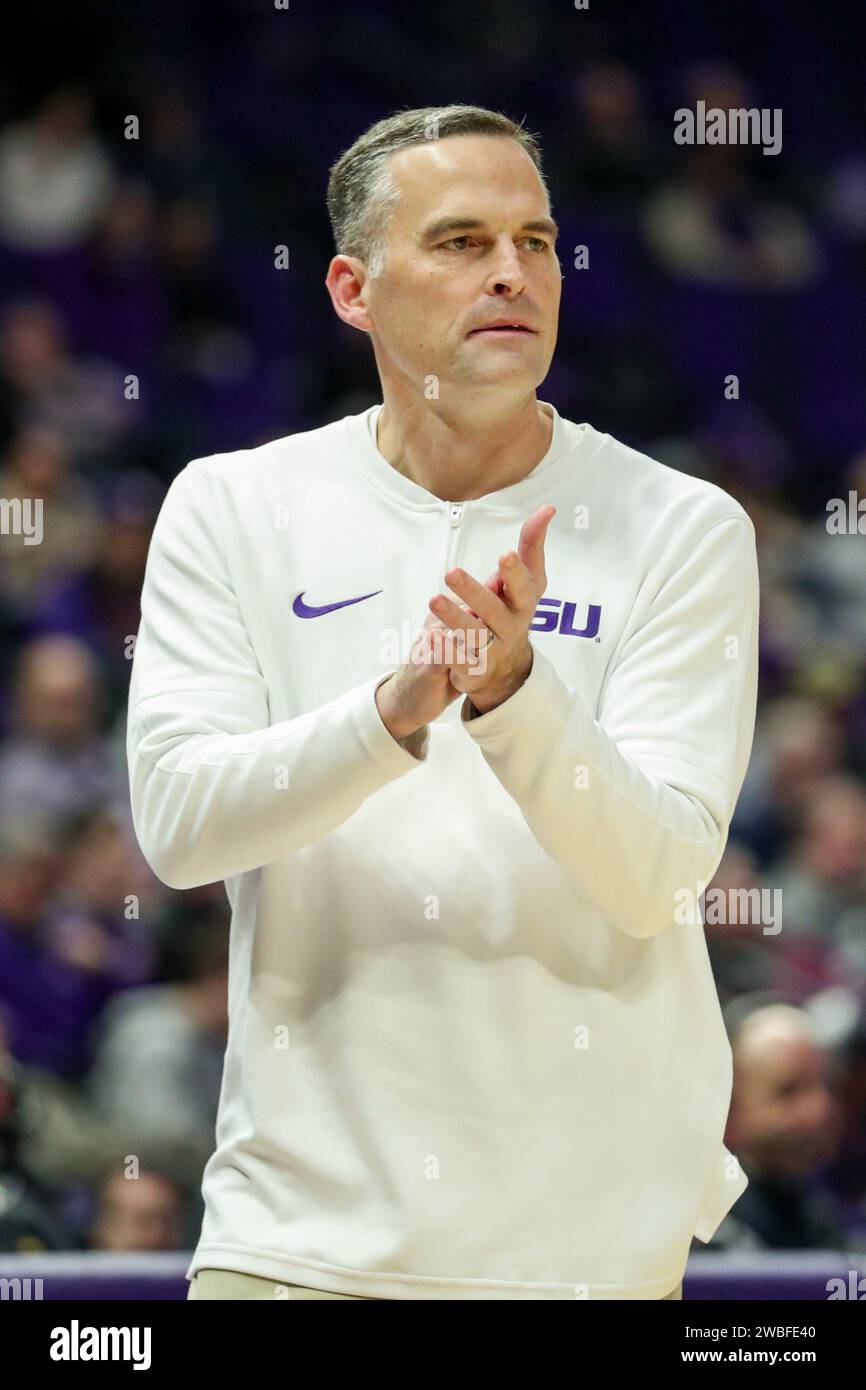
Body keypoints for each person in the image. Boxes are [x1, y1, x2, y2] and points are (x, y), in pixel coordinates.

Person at [126, 104, 759, 1300]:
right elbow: (177, 823)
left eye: (534, 240)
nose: (513, 272)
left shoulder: (679, 524)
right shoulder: (232, 505)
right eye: (461, 242)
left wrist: (514, 694)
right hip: (297, 1242)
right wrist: (389, 711)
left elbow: (660, 874)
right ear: (353, 290)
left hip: (587, 1255)